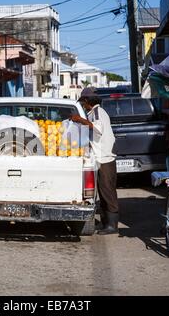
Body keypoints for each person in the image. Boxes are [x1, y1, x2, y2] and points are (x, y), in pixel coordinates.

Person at [70, 87, 119, 235]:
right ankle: (105, 223)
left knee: (107, 192)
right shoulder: (93, 113)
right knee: (102, 193)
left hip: (105, 158)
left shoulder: (98, 112)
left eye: (83, 102)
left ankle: (112, 225)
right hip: (99, 158)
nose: (83, 106)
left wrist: (80, 119)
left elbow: (97, 128)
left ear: (87, 101)